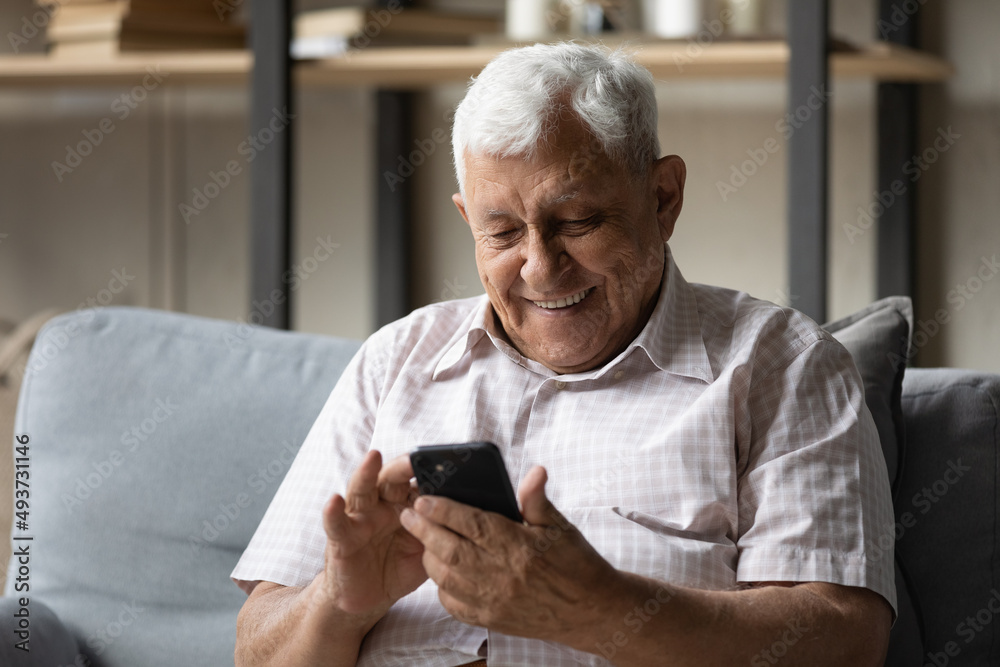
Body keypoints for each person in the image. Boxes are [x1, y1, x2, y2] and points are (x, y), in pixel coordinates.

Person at [232, 42, 895, 666]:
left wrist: (594, 609)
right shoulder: (394, 360)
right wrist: (339, 601)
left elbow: (841, 637)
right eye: (503, 231)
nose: (541, 268)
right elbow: (256, 647)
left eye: (578, 222)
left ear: (663, 198)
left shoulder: (782, 364)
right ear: (468, 220)